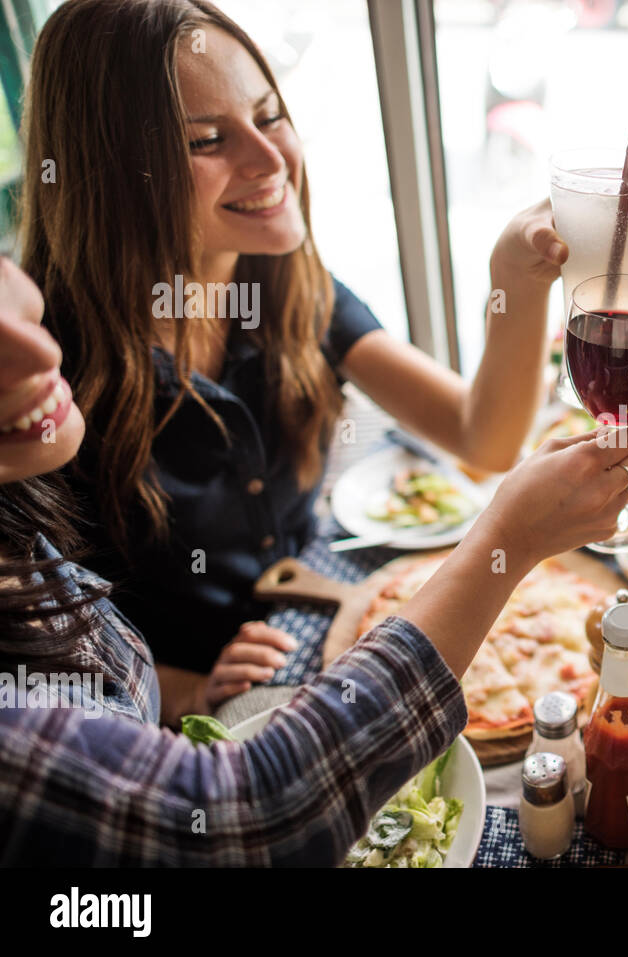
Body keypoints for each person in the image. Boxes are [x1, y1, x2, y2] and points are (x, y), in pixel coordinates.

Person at [15, 0, 589, 720]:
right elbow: (36, 653)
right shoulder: (37, 371)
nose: (270, 159)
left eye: (269, 114)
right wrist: (185, 687)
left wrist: (514, 277)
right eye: (206, 141)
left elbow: (485, 437)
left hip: (318, 619)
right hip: (178, 712)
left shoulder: (288, 287)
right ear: (110, 174)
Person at [0, 255, 628, 865]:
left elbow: (485, 434)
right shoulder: (73, 352)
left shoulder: (19, 509)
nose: (39, 346)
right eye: (204, 140)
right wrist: (509, 539)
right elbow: (244, 819)